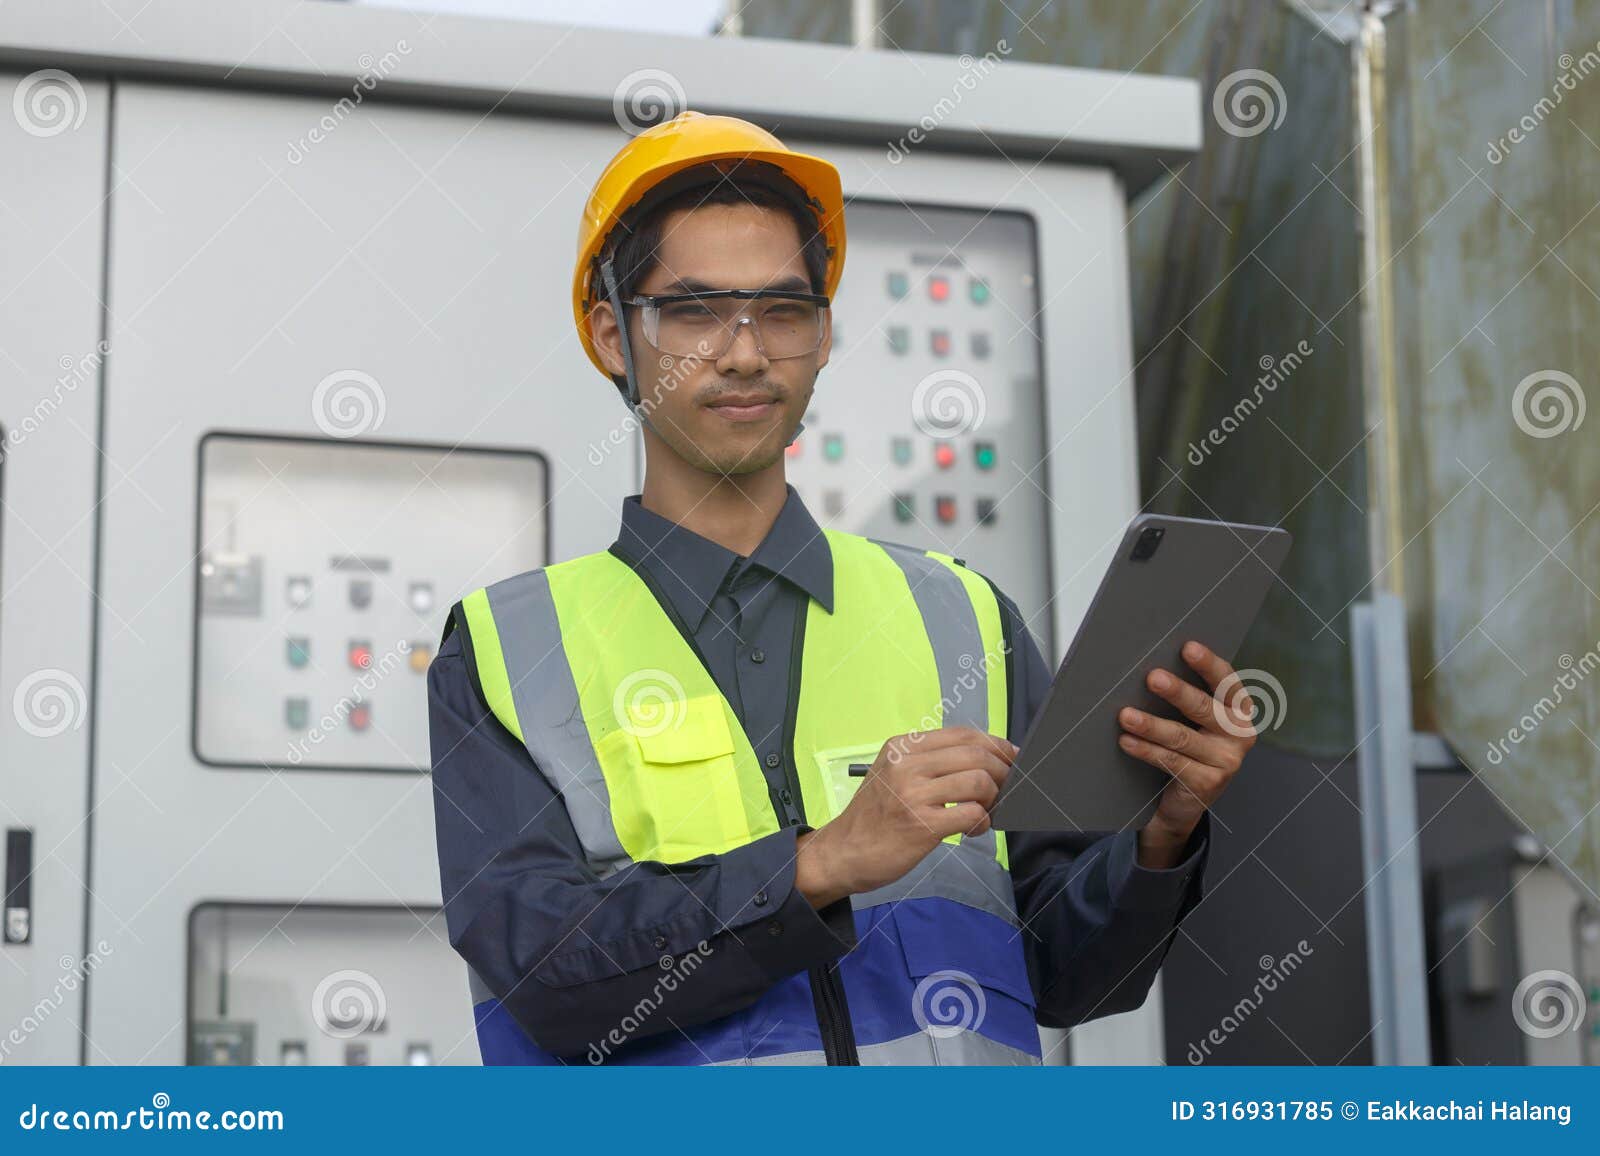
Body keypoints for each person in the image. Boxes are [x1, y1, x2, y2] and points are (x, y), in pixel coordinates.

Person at [427, 111, 1257, 1066]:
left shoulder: (962, 616)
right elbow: (542, 973)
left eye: (783, 311)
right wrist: (819, 864)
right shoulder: (503, 648)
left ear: (824, 340)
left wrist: (1160, 836)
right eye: (695, 311)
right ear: (616, 337)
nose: (745, 353)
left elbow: (1071, 979)